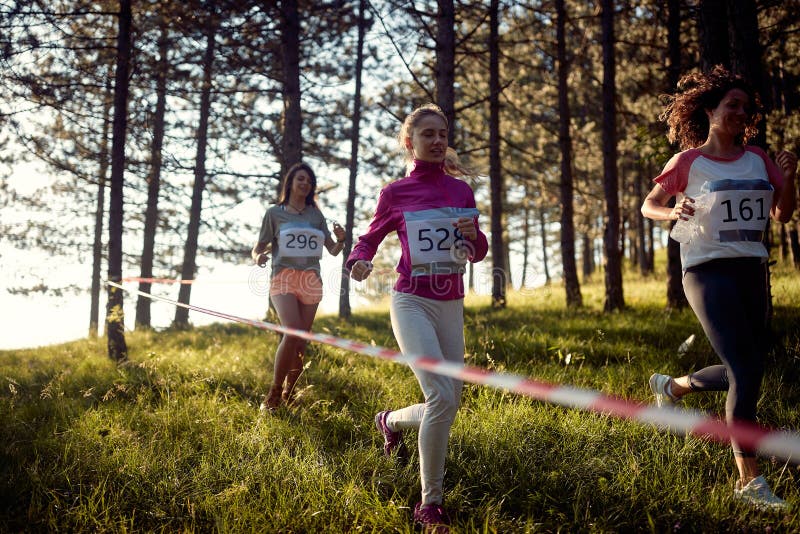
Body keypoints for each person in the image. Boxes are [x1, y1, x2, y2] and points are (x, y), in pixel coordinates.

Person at [641, 65, 797, 511]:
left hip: (752, 272)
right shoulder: (689, 161)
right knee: (746, 369)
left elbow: (782, 215)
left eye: (746, 108)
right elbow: (649, 205)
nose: (740, 113)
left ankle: (672, 387)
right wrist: (672, 212)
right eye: (732, 105)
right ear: (710, 110)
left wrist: (792, 177)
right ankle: (749, 481)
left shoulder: (759, 158)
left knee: (745, 367)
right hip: (707, 272)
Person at [347, 103, 488, 533]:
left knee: (447, 403)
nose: (438, 140)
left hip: (451, 303)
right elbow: (367, 240)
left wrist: (473, 236)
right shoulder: (395, 193)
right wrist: (358, 261)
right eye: (428, 134)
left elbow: (478, 252)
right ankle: (431, 505)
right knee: (441, 398)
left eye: (443, 133)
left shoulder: (461, 191)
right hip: (411, 302)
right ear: (410, 142)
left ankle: (388, 421)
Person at [252, 162, 346, 411]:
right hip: (283, 278)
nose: (305, 184)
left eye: (309, 181)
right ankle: (272, 394)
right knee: (292, 332)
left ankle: (289, 393)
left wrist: (342, 240)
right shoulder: (275, 213)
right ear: (291, 182)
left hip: (311, 281)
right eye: (301, 179)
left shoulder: (316, 216)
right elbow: (258, 247)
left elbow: (333, 250)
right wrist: (258, 257)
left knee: (301, 342)